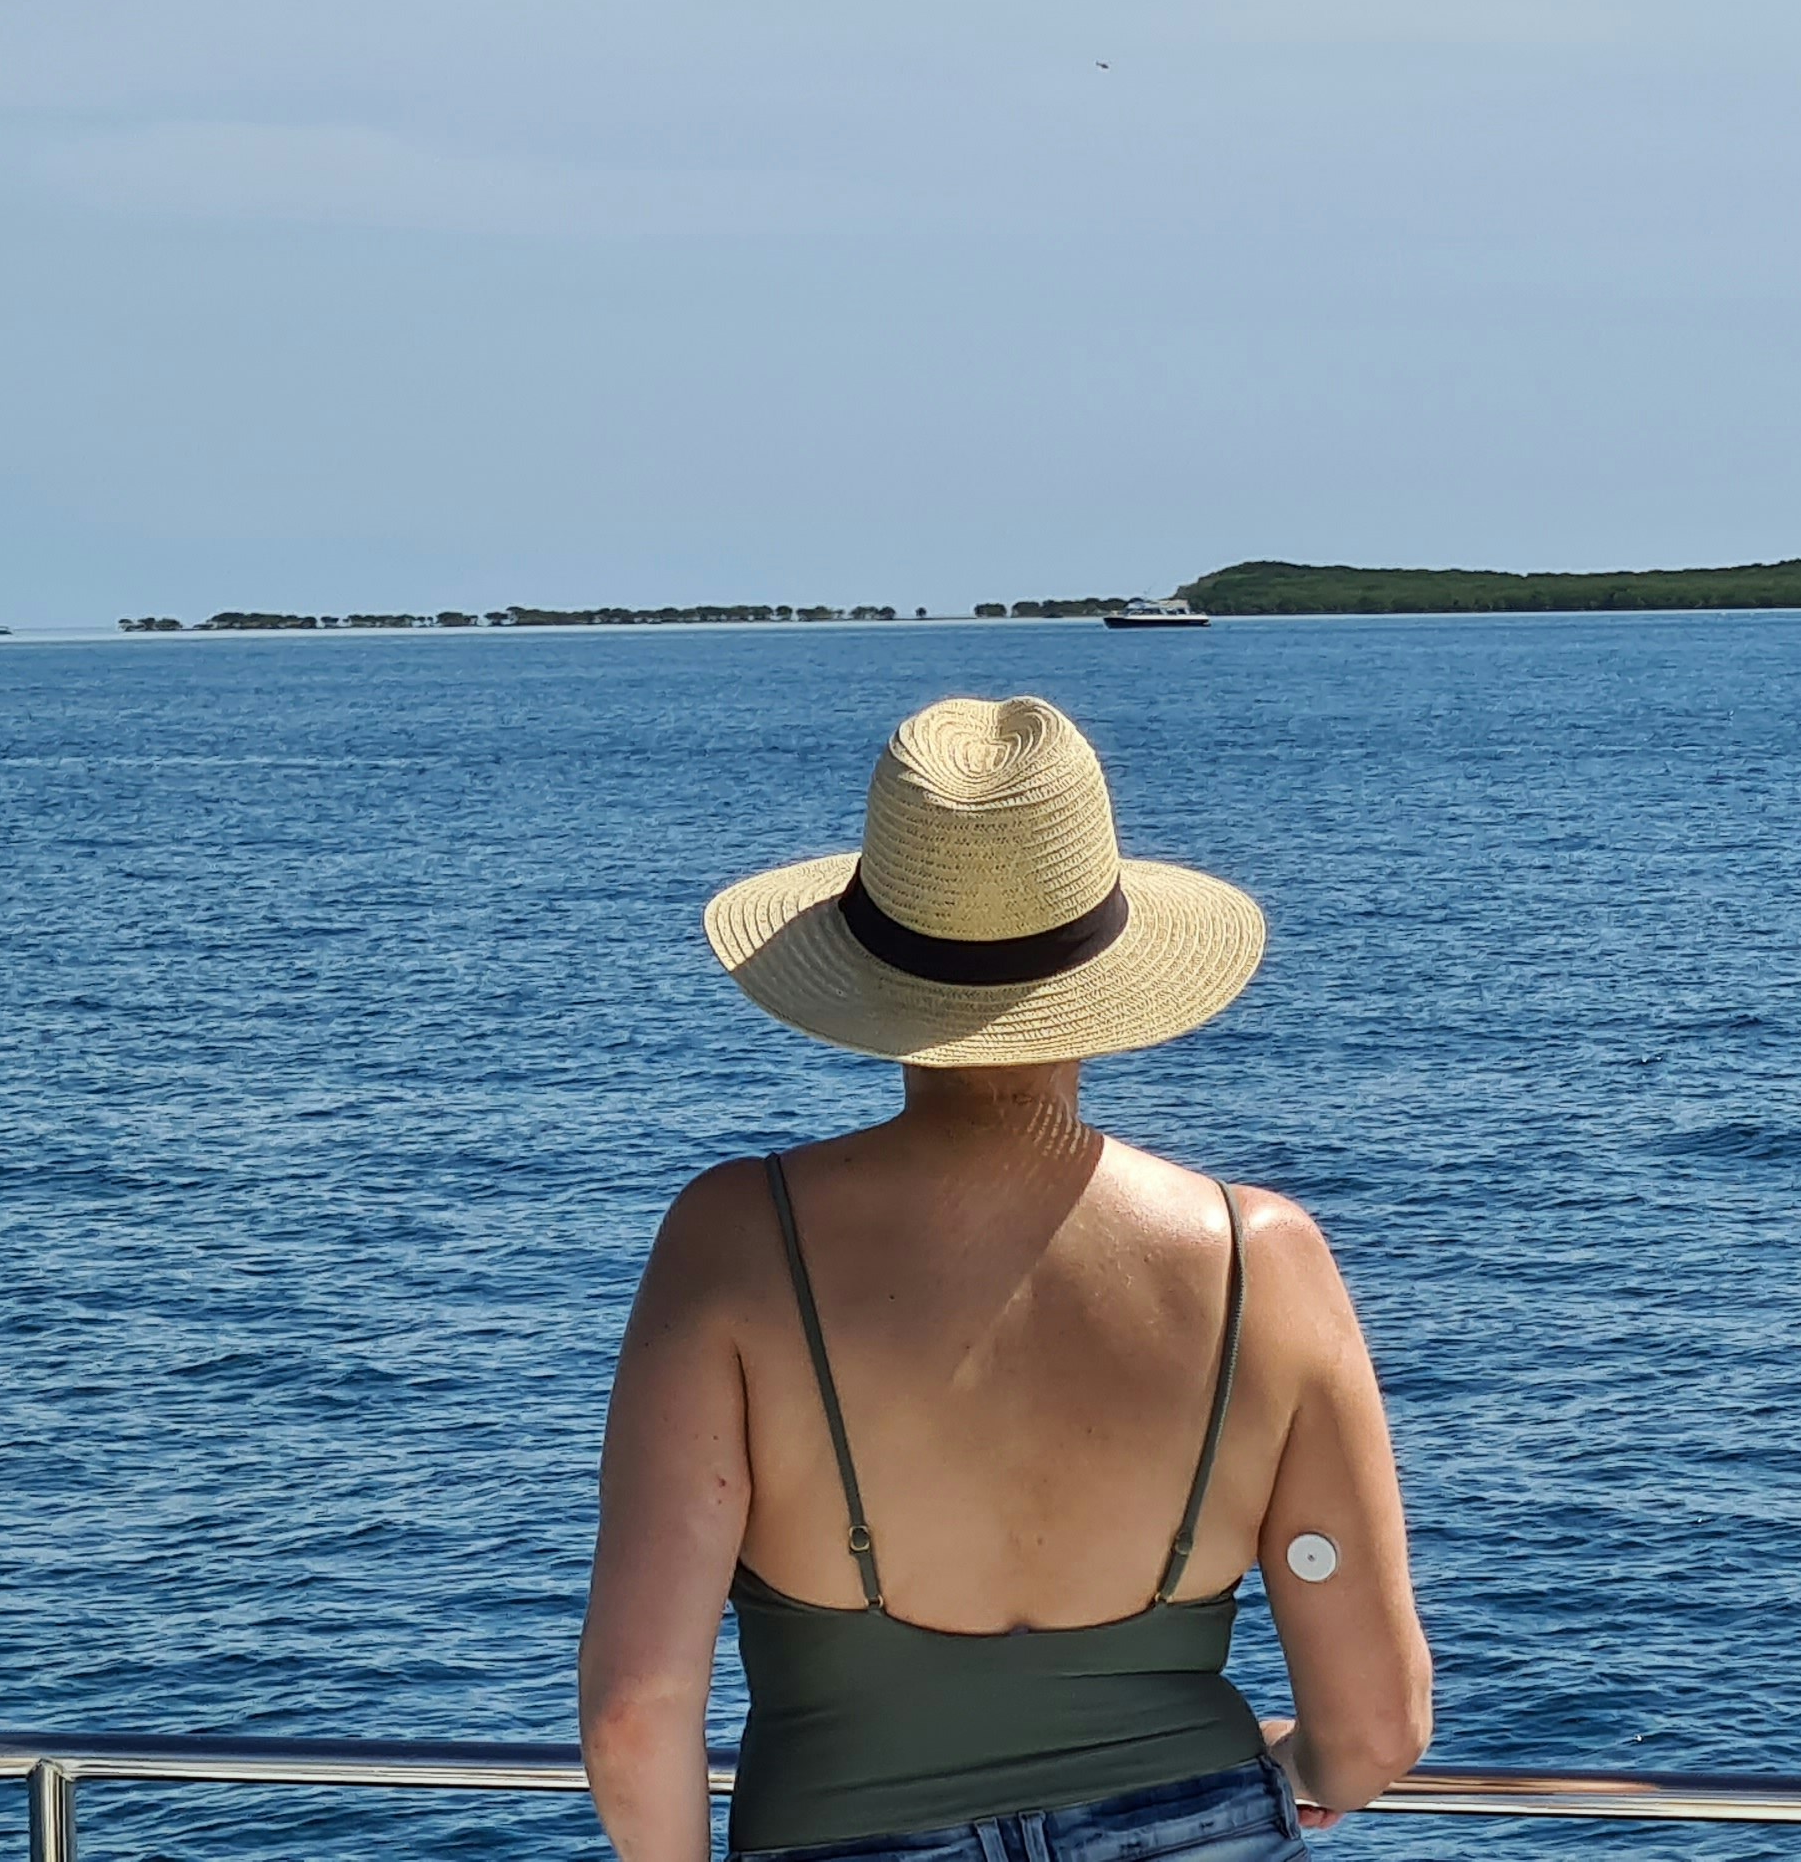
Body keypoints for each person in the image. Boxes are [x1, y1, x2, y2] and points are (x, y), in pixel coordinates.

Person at [581, 696, 1431, 1862]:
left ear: (872, 973)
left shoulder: (736, 1241)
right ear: (1113, 966)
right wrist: (1297, 1768)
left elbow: (635, 1720)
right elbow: (1378, 1726)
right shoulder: (1261, 1259)